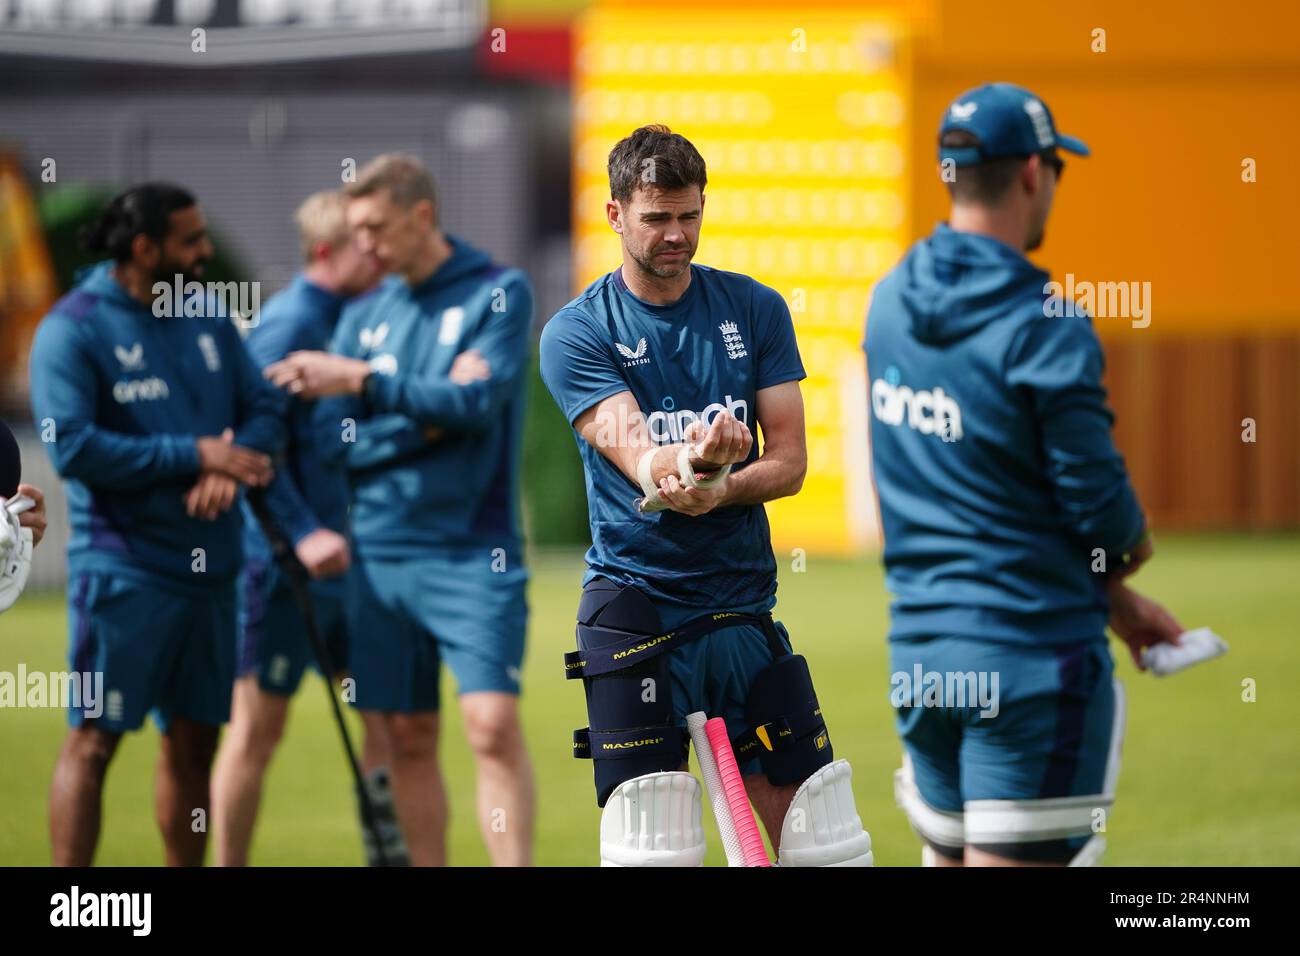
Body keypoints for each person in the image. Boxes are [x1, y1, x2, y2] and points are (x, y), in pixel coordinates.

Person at [864, 83, 1183, 867]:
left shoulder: (889, 302)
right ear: (1035, 175)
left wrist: (1113, 600)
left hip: (921, 667)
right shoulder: (1047, 326)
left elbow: (983, 499)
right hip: (1031, 666)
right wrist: (1126, 562)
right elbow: (1103, 516)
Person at [538, 125, 872, 867]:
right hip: (637, 603)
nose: (675, 233)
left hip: (741, 607)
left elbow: (788, 460)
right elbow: (633, 447)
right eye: (656, 217)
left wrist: (717, 487)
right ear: (616, 214)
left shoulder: (752, 309)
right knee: (651, 847)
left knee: (826, 845)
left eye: (688, 214)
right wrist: (689, 462)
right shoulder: (576, 332)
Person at [264, 154, 536, 866]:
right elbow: (331, 439)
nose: (365, 248)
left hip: (474, 551)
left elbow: (476, 404)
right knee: (406, 735)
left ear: (421, 216)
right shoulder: (362, 314)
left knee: (489, 724)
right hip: (379, 556)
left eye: (377, 229)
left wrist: (364, 384)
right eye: (355, 232)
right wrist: (423, 412)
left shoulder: (496, 292)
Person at [29, 182, 283, 865]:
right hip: (124, 570)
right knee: (95, 739)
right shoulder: (72, 327)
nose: (205, 252)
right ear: (145, 248)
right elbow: (71, 446)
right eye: (190, 240)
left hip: (213, 572)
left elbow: (263, 408)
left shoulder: (206, 317)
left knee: (195, 742)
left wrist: (227, 468)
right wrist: (195, 453)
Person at [210, 189, 405, 866]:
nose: (378, 253)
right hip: (283, 570)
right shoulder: (288, 324)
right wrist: (301, 531)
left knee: (385, 717)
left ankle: (390, 858)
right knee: (257, 732)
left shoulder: (363, 320)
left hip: (359, 569)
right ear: (326, 252)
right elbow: (251, 444)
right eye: (362, 244)